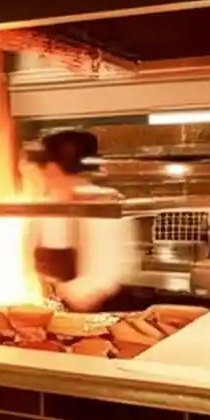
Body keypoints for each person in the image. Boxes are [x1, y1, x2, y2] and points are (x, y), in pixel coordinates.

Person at [27, 130, 137, 311]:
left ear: (52, 167)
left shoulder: (103, 204)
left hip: (96, 315)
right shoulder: (45, 205)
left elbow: (104, 278)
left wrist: (56, 292)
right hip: (48, 311)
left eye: (44, 166)